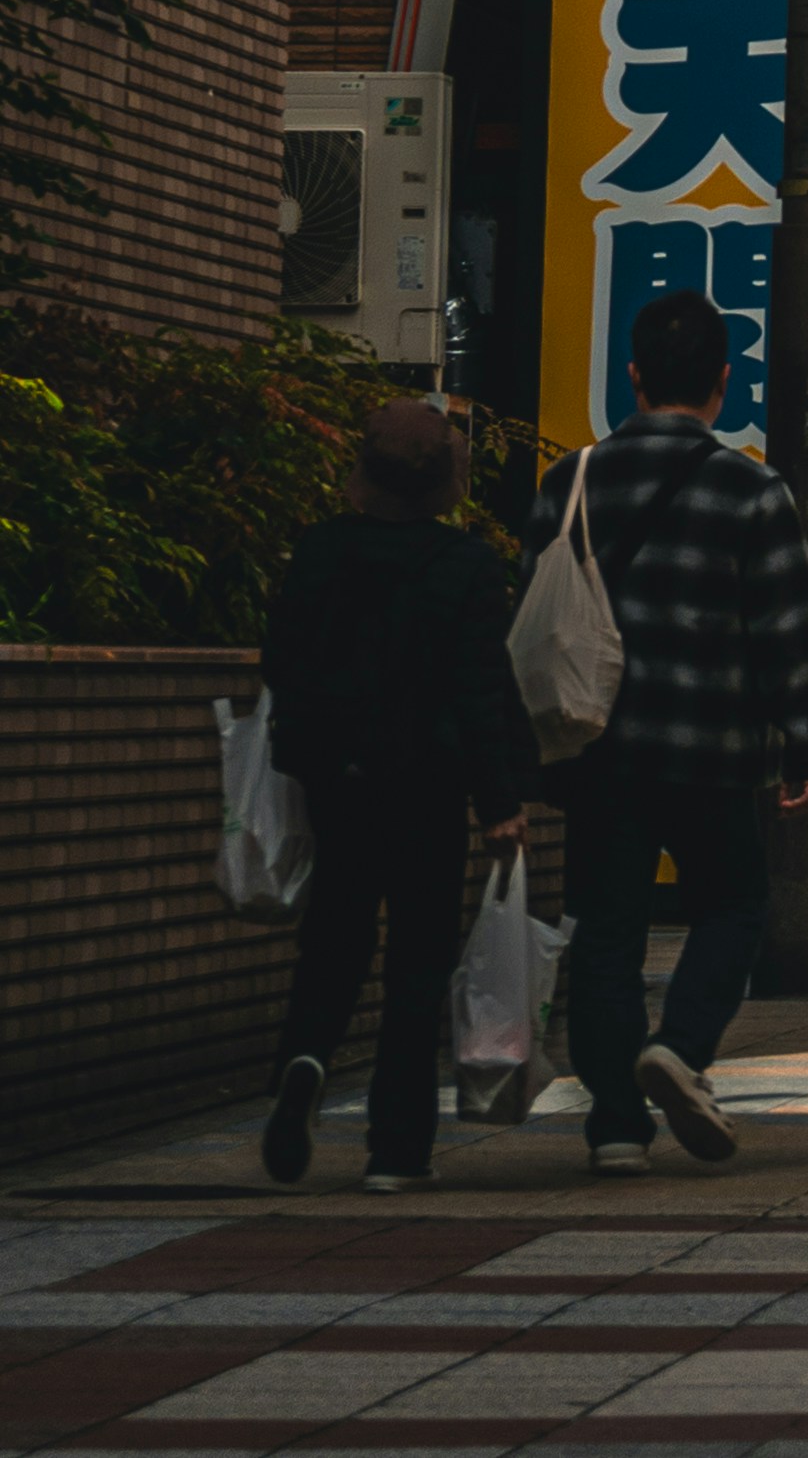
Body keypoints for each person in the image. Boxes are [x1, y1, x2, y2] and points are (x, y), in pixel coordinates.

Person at [524, 289, 808, 1174]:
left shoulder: (568, 482)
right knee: (733, 903)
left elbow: (534, 618)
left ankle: (615, 1125)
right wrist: (799, 741)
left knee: (607, 928)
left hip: (596, 748)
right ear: (723, 384)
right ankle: (682, 1047)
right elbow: (785, 629)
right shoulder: (750, 487)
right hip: (713, 747)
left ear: (633, 378)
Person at [257, 396, 539, 1191]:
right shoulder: (466, 566)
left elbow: (280, 660)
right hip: (428, 784)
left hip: (335, 778)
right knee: (417, 965)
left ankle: (305, 1059)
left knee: (336, 935)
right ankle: (398, 1150)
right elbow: (481, 691)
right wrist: (501, 800)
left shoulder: (319, 552)